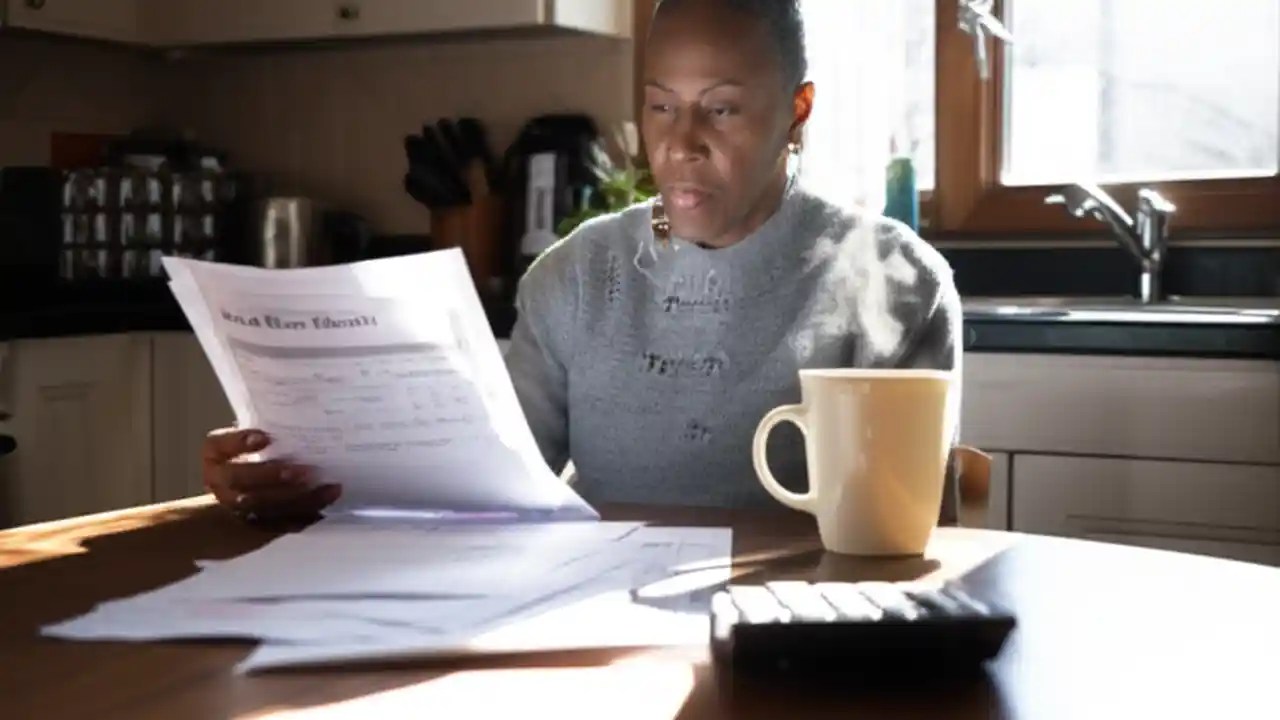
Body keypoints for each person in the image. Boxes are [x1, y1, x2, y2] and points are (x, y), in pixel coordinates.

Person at [200, 0, 963, 523]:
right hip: (600, 639)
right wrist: (296, 476)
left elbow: (918, 543)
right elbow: (482, 487)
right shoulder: (575, 276)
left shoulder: (896, 283)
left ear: (798, 110)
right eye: (661, 105)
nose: (681, 143)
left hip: (794, 648)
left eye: (722, 108)